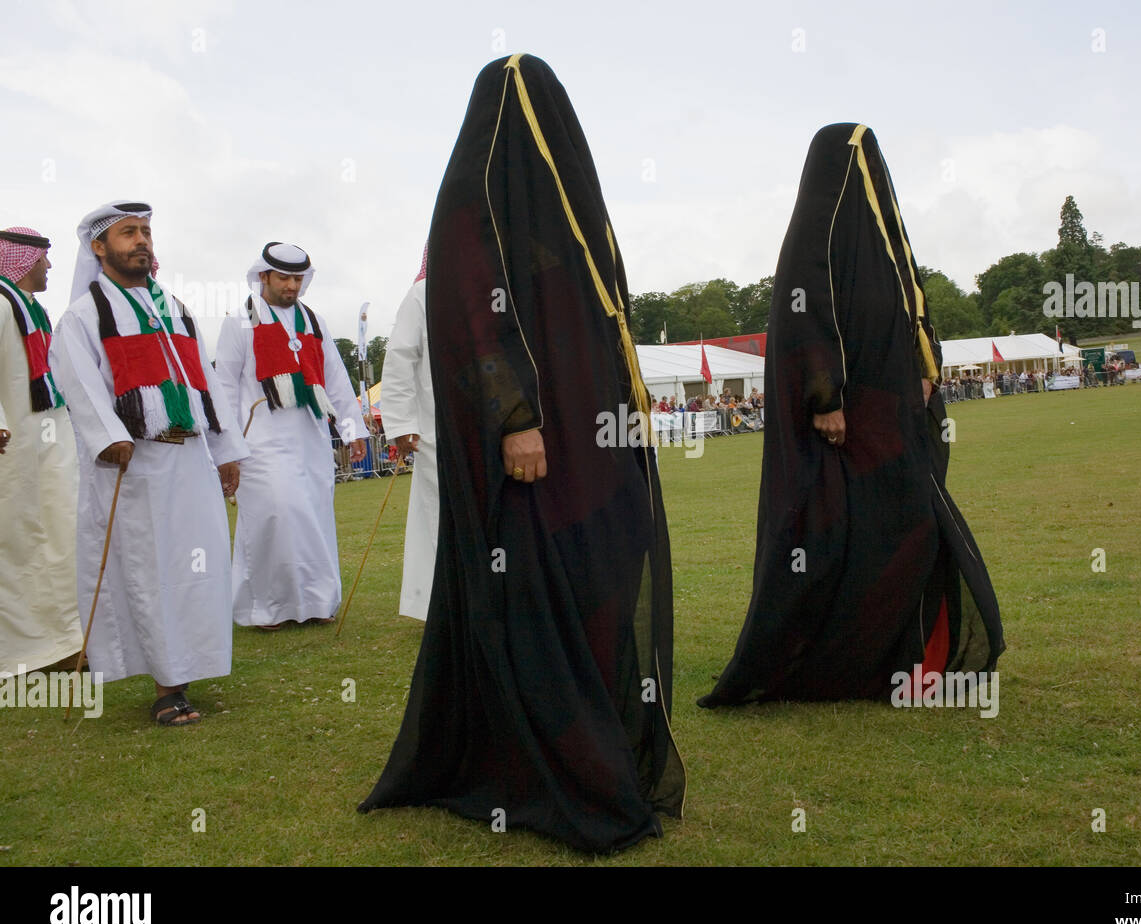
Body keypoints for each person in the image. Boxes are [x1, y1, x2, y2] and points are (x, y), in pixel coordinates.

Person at [359, 54, 685, 853]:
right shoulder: (473, 208)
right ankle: (553, 759)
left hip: (593, 440)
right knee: (532, 588)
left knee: (606, 566)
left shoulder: (565, 216)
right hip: (533, 444)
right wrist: (515, 419)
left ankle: (598, 730)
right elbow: (478, 323)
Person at [698, 125, 1003, 708]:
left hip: (892, 421)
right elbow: (808, 313)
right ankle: (851, 661)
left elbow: (911, 315)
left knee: (911, 529)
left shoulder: (886, 250)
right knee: (867, 535)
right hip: (850, 422)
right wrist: (826, 397)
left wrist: (923, 366)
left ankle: (903, 659)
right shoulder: (817, 241)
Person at [48, 201, 249, 725]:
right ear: (99, 248)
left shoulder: (174, 309)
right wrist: (110, 438)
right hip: (132, 467)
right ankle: (167, 687)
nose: (141, 241)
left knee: (196, 567)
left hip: (189, 463)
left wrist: (225, 451)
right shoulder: (82, 316)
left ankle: (189, 665)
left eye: (146, 232)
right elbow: (79, 385)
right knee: (148, 571)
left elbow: (203, 381)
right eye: (128, 233)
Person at [212, 243, 366, 630]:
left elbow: (336, 380)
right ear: (263, 276)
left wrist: (352, 429)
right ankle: (267, 608)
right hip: (259, 439)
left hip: (310, 436)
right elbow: (226, 387)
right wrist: (226, 447)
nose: (292, 286)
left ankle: (316, 602)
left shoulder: (314, 322)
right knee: (274, 515)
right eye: (284, 278)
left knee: (313, 517)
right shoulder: (238, 322)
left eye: (298, 278)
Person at [0, 227, 81, 674]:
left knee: (58, 537)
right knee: (21, 544)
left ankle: (62, 644)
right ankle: (25, 653)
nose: (49, 266)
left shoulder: (33, 309)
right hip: (14, 451)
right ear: (22, 259)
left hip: (50, 447)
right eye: (43, 259)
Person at [381, 242, 440, 621]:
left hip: (492, 431)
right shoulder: (421, 296)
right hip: (436, 431)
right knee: (436, 518)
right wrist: (402, 424)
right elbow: (400, 358)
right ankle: (435, 606)